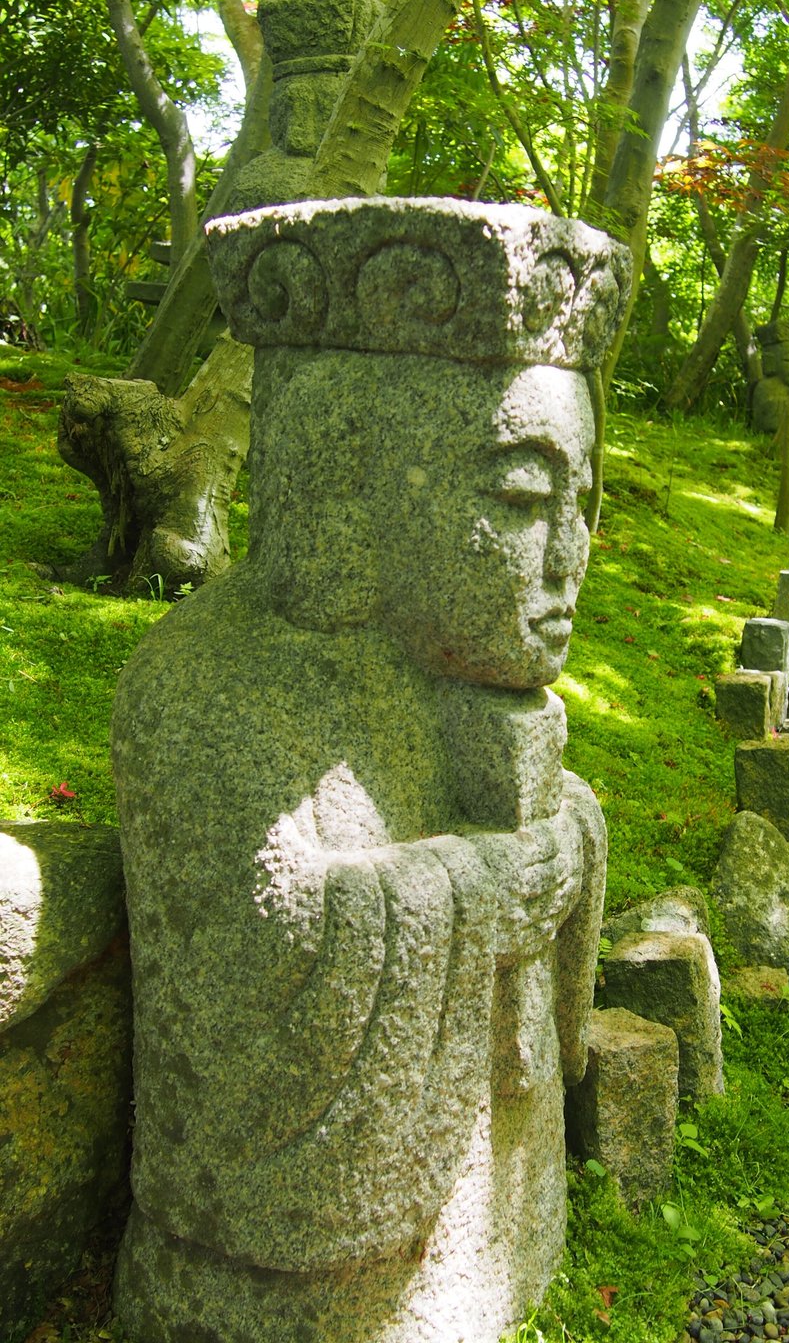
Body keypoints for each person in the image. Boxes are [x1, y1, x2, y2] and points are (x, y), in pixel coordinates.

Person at [111, 198, 629, 1343]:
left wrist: (566, 837)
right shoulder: (207, 688)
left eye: (585, 506)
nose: (567, 561)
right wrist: (493, 888)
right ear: (350, 478)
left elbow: (497, 857)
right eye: (521, 499)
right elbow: (262, 941)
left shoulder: (461, 683)